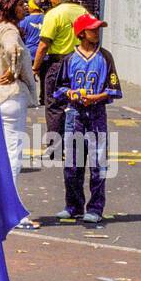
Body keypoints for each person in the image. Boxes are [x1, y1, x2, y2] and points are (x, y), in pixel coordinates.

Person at [51, 14, 122, 225]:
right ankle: (72, 205)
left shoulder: (105, 57)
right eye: (92, 29)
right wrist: (72, 94)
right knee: (73, 164)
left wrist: (97, 97)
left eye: (98, 29)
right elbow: (58, 89)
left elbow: (114, 90)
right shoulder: (69, 59)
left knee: (98, 163)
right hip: (75, 115)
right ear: (81, 33)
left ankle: (95, 207)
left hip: (97, 115)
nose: (96, 33)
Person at [0, 0, 38, 228]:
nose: (24, 7)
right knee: (13, 154)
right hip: (12, 96)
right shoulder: (8, 29)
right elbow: (13, 47)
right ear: (9, 6)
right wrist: (14, 70)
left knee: (0, 153)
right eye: (20, 4)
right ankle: (13, 211)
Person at [32, 0, 87, 159]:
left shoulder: (53, 14)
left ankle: (55, 147)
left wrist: (35, 67)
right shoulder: (83, 12)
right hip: (80, 63)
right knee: (78, 103)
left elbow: (43, 44)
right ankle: (77, 145)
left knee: (54, 105)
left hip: (58, 63)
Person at [19, 0, 45, 66]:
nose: (28, 8)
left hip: (30, 54)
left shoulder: (24, 20)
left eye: (29, 6)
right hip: (44, 55)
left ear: (32, 7)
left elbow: (20, 36)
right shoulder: (47, 18)